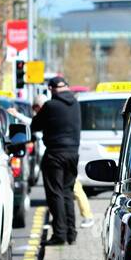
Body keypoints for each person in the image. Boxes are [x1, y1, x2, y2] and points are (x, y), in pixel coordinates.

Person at [30, 74, 81, 246]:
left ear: (51, 89)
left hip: (55, 154)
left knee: (55, 194)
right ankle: (71, 233)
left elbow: (35, 125)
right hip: (73, 154)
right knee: (68, 193)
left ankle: (59, 234)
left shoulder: (50, 106)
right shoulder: (76, 104)